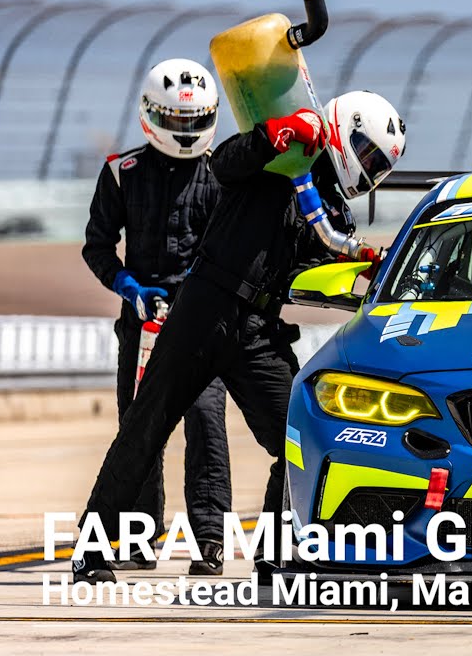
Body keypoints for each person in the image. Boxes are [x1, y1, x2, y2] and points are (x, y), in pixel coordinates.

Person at [72, 91, 406, 584]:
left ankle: (272, 557)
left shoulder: (332, 208)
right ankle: (90, 552)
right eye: (369, 153)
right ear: (345, 129)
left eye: (378, 163)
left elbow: (311, 266)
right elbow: (225, 165)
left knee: (296, 439)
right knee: (146, 427)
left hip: (258, 328)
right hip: (202, 310)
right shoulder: (282, 153)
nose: (369, 167)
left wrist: (360, 262)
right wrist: (273, 135)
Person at [82, 58, 231, 575]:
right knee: (139, 428)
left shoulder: (222, 176)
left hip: (201, 325)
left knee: (206, 424)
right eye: (178, 122)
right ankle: (139, 535)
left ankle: (211, 539)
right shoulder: (121, 173)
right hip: (141, 324)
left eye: (196, 121)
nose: (187, 132)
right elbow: (97, 247)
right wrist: (130, 288)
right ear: (150, 115)